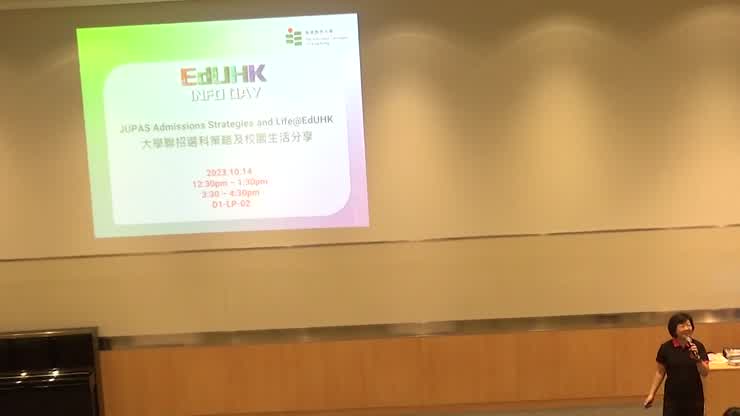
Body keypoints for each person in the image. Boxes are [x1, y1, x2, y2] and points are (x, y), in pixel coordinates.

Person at [643, 312, 710, 416]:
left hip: (694, 396)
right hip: (672, 397)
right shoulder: (665, 348)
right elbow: (660, 372)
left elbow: (705, 373)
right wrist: (652, 394)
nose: (687, 328)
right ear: (674, 329)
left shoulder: (698, 346)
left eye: (689, 325)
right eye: (682, 326)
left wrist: (697, 359)